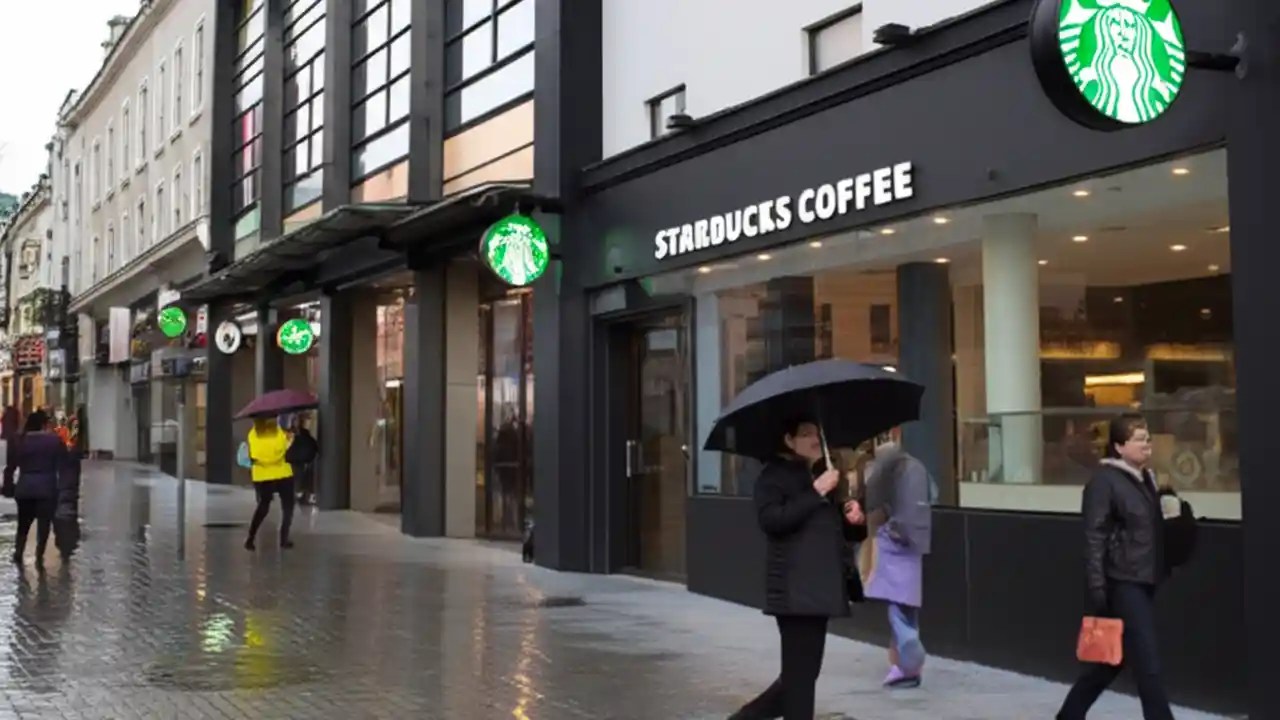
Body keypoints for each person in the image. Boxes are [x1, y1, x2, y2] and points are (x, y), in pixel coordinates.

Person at [730, 417, 866, 720]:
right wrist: (816, 492)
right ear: (789, 440)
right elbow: (772, 521)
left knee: (801, 676)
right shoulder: (773, 477)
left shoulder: (824, 474)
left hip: (823, 586)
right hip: (794, 588)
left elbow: (841, 532)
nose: (815, 439)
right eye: (805, 434)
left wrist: (855, 519)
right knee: (800, 679)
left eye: (817, 433)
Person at [1057, 413, 1176, 720]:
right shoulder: (1104, 482)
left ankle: (1069, 715)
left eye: (1148, 439)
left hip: (1146, 577)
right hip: (1122, 580)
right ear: (1120, 447)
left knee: (1110, 661)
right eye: (1139, 439)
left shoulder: (1147, 479)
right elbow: (1094, 536)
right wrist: (1097, 586)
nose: (1147, 445)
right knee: (1147, 661)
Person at [859, 430, 934, 688]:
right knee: (907, 605)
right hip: (914, 544)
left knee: (896, 607)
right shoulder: (916, 467)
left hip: (893, 543)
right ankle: (906, 662)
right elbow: (932, 494)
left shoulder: (886, 470)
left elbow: (875, 503)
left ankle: (907, 660)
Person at [3, 410, 69, 565]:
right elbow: (64, 466)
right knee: (44, 525)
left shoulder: (19, 441)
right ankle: (39, 555)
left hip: (25, 488)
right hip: (47, 489)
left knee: (23, 524)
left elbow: (10, 468)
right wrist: (64, 488)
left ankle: (18, 553)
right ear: (44, 424)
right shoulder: (55, 441)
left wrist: (8, 487)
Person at [244, 417, 296, 551]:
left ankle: (250, 538)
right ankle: (284, 538)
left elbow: (254, 455)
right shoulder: (279, 433)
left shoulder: (253, 434)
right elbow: (282, 450)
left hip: (262, 475)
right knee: (288, 506)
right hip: (282, 473)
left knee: (263, 505)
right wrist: (290, 439)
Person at [286, 415, 320, 505]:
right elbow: (313, 447)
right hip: (301, 460)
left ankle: (298, 493)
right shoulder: (305, 436)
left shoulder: (293, 435)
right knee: (301, 477)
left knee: (298, 477)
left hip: (296, 459)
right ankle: (299, 493)